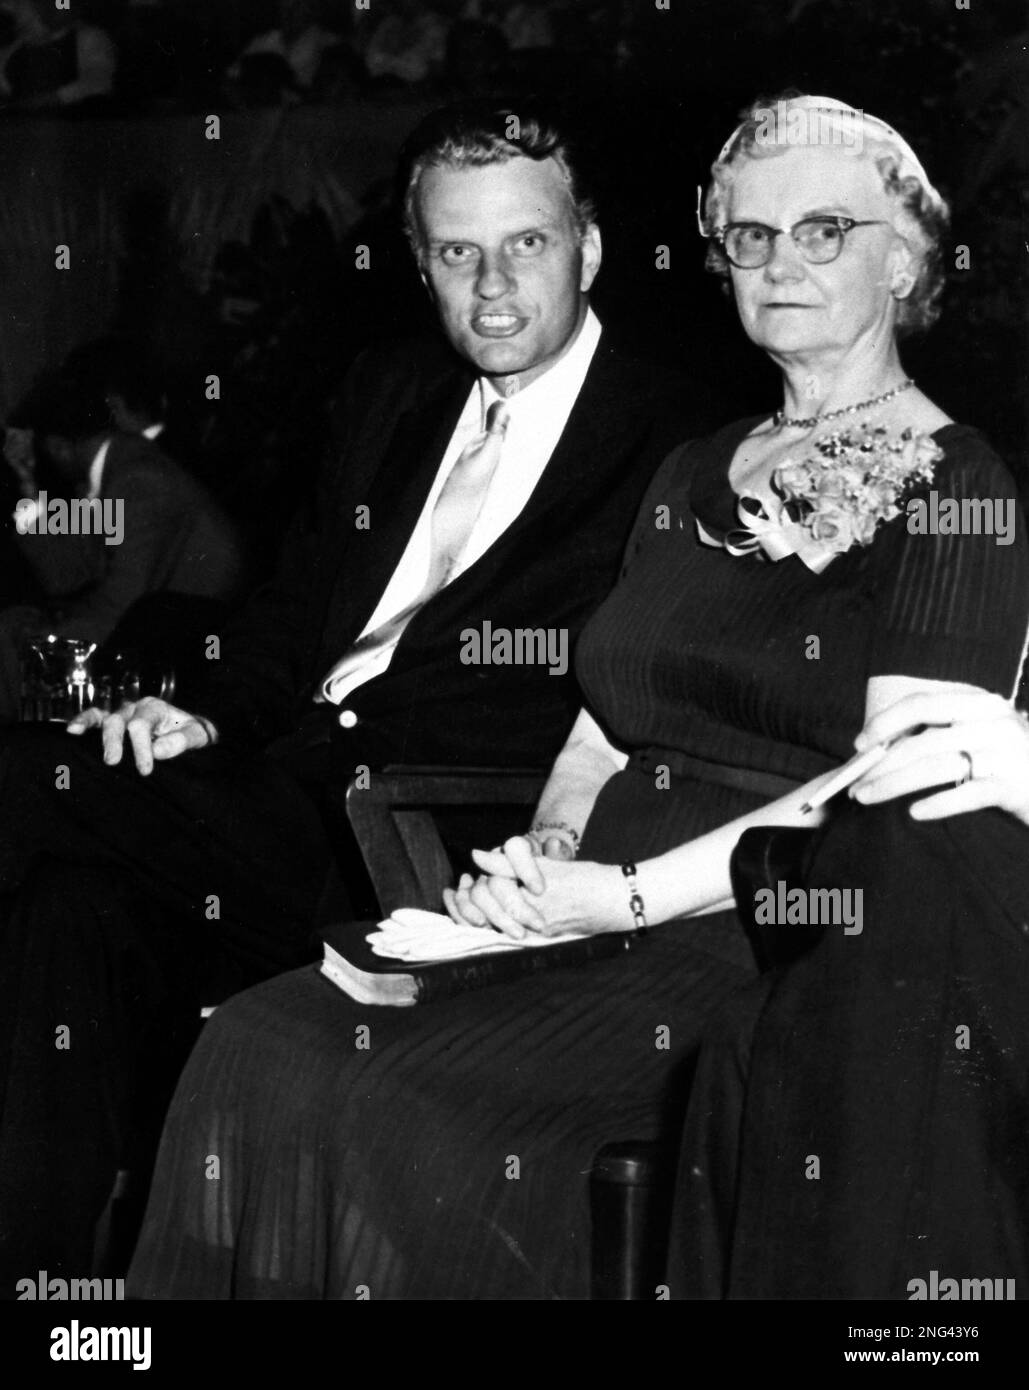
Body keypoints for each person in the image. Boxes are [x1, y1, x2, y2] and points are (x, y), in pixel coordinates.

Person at [125, 93, 1028, 1301]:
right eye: (748, 237)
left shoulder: (961, 483)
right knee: (260, 1042)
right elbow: (604, 719)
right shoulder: (694, 467)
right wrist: (551, 842)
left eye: (825, 231)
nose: (780, 263)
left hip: (769, 943)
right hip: (585, 916)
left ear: (905, 255)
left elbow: (895, 791)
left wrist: (630, 892)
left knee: (424, 1115)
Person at [0, 101, 688, 1289]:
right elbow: (291, 610)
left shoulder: (672, 433)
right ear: (419, 264)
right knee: (73, 914)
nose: (491, 286)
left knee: (27, 775)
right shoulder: (390, 395)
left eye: (525, 244)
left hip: (428, 837)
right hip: (274, 798)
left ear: (589, 246)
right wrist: (204, 709)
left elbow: (629, 695)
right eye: (457, 252)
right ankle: (46, 1289)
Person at [0, 368, 243, 722]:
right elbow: (65, 573)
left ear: (57, 447)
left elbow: (120, 607)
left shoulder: (137, 480)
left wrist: (39, 638)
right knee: (11, 628)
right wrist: (27, 482)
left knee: (10, 653)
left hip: (182, 655)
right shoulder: (118, 466)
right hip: (153, 630)